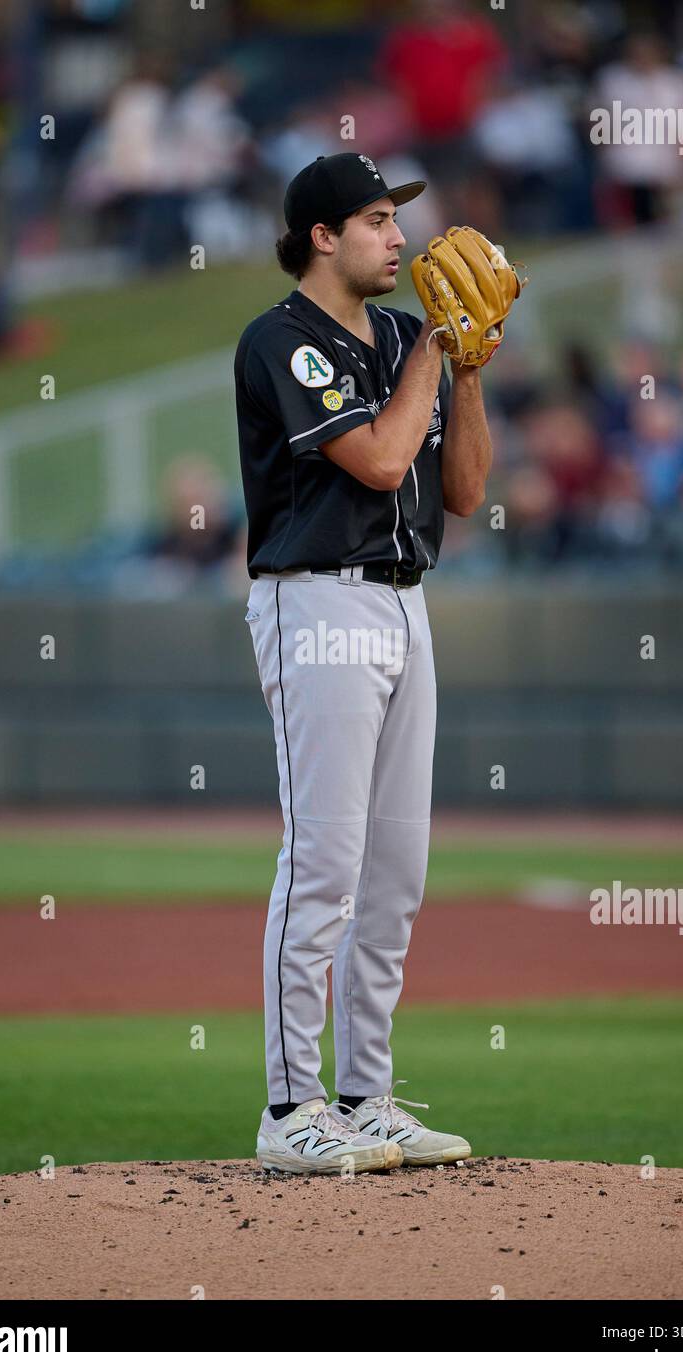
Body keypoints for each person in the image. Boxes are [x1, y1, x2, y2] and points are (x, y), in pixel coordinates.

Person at [234, 152, 492, 1174]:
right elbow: (382, 463)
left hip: (403, 600)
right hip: (316, 603)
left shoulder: (399, 336)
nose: (401, 238)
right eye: (380, 219)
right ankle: (289, 1105)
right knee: (324, 864)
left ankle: (364, 1094)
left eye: (398, 218)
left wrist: (465, 372)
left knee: (395, 871)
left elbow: (461, 492)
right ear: (323, 236)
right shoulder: (282, 344)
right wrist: (434, 348)